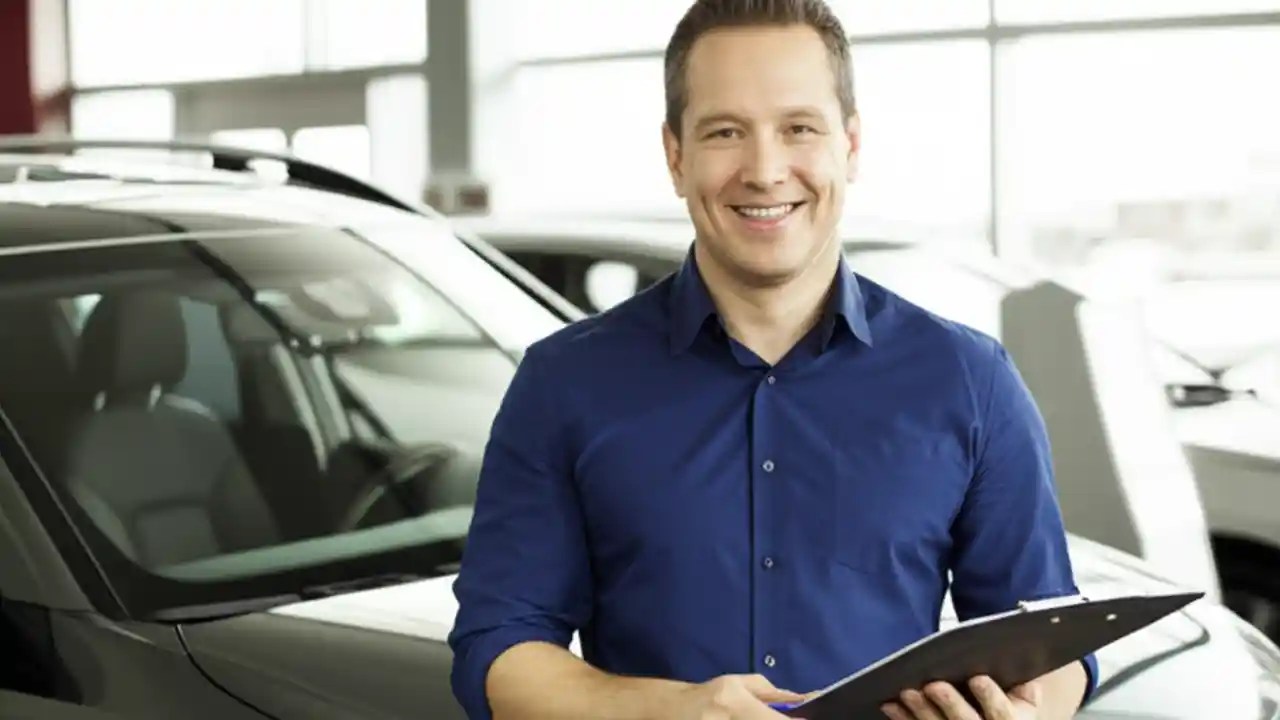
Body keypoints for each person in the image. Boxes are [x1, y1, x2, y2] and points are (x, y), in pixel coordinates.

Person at [448, 0, 1097, 718]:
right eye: (726, 132)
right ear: (675, 155)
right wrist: (670, 711)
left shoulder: (972, 383)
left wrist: (1029, 714)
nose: (764, 170)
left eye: (799, 129)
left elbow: (1052, 640)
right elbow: (497, 647)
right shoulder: (563, 384)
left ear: (849, 146)